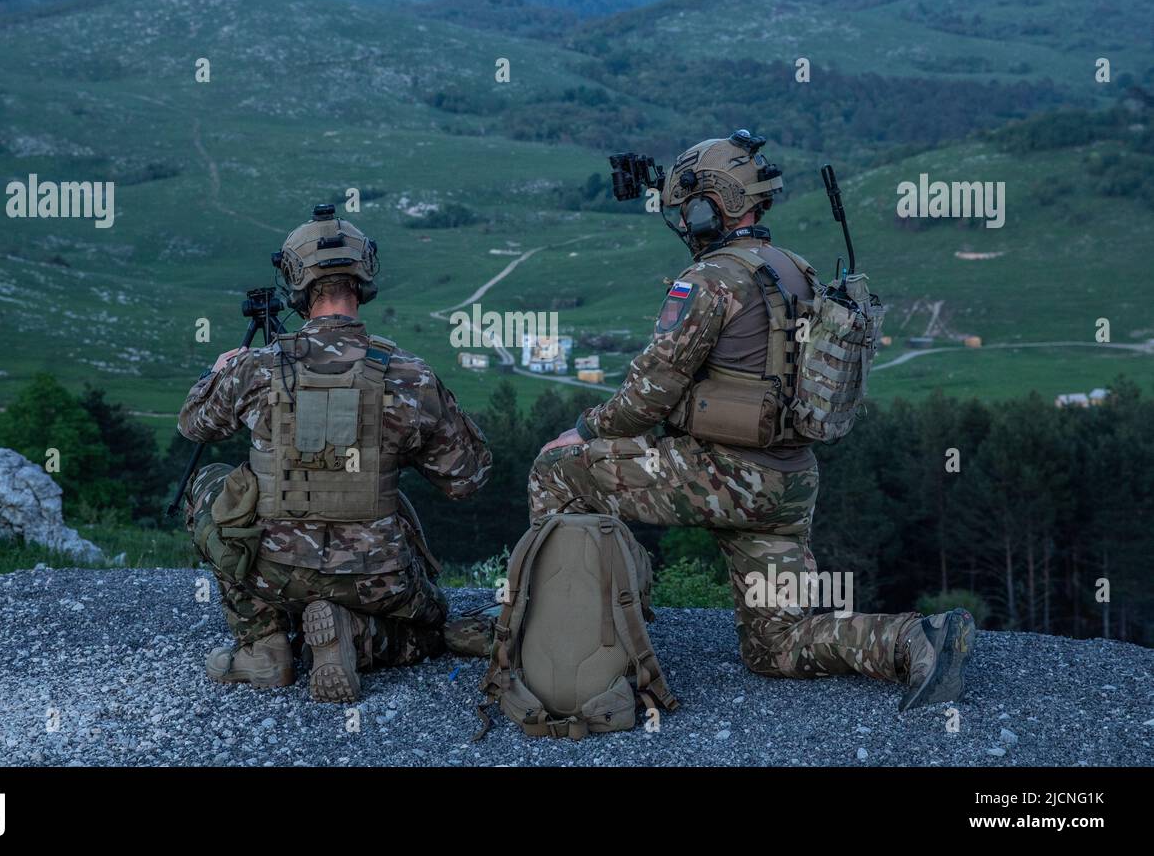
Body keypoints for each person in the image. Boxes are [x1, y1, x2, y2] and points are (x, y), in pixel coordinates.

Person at [529, 133, 974, 712]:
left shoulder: (710, 280)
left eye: (685, 209)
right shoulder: (797, 268)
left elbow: (647, 396)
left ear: (708, 204)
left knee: (556, 471)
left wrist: (583, 433)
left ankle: (564, 640)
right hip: (785, 485)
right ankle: (915, 640)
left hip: (724, 477)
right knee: (779, 647)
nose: (683, 224)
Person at [178, 205, 492, 702]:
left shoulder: (254, 369)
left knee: (211, 484)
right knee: (432, 633)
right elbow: (466, 481)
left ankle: (264, 644)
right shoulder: (410, 375)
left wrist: (217, 372)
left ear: (295, 284)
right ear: (364, 278)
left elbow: (195, 425)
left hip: (273, 574)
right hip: (380, 580)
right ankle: (358, 634)